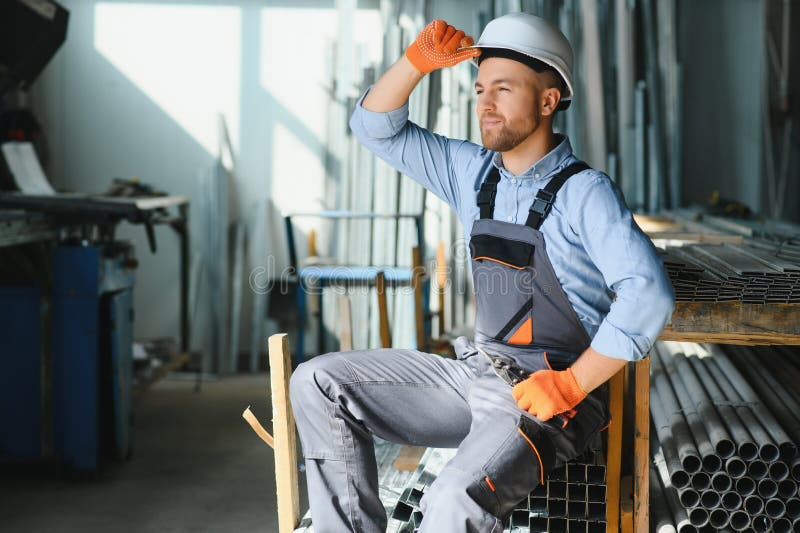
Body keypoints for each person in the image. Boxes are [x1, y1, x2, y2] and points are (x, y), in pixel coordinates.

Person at [289, 12, 675, 532]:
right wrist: (414, 62)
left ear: (547, 101)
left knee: (450, 501)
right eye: (478, 89)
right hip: (477, 374)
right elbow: (373, 127)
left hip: (548, 399)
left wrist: (569, 385)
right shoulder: (471, 173)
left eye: (503, 89)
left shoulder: (586, 193)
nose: (485, 104)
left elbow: (648, 295)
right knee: (317, 381)